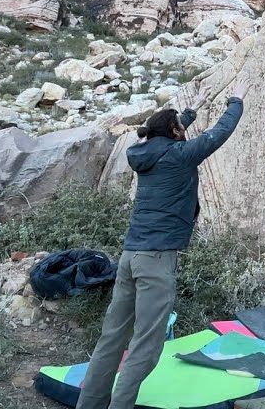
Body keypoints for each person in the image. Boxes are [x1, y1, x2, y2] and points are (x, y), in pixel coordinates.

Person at [75, 80, 250, 409]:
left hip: (130, 256)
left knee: (112, 338)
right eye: (178, 127)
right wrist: (236, 100)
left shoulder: (145, 152)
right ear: (173, 132)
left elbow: (167, 131)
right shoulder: (180, 155)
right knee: (146, 347)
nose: (181, 131)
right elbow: (219, 133)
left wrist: (192, 108)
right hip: (156, 260)